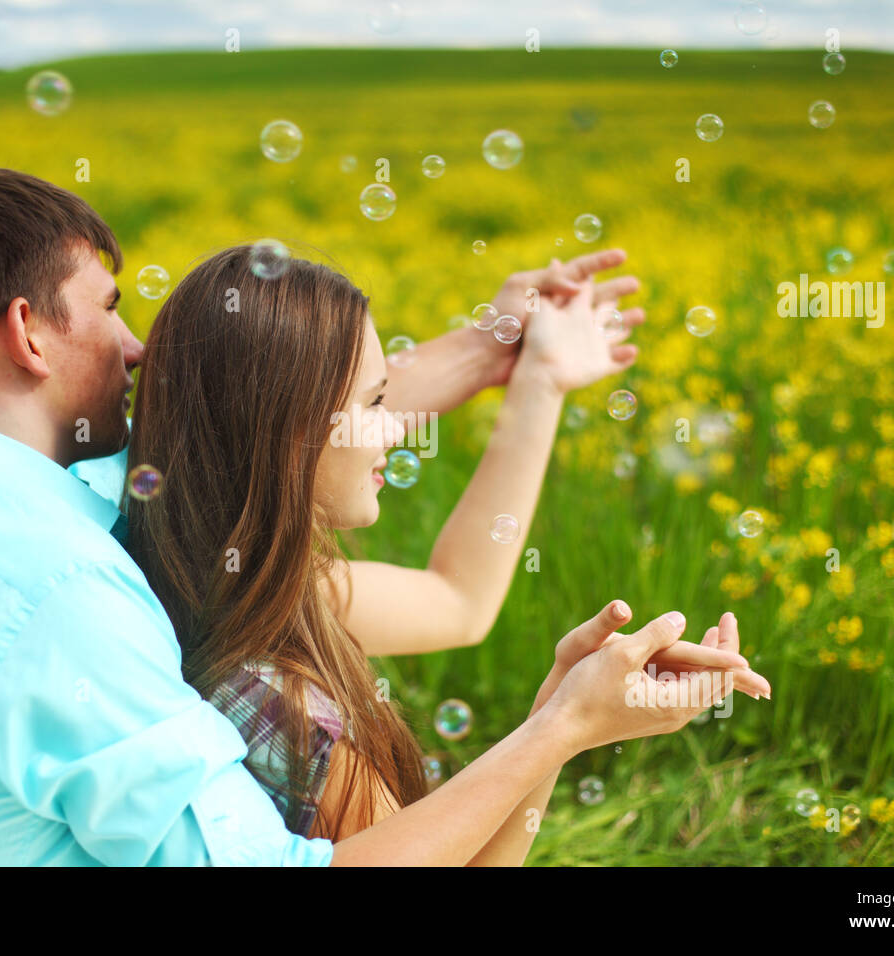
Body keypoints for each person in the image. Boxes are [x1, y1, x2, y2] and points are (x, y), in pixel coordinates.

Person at [0, 162, 759, 867]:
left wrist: (496, 347)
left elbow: (253, 424)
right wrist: (563, 727)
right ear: (28, 336)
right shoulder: (59, 600)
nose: (140, 350)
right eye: (108, 306)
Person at [120, 246, 770, 856]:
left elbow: (458, 600)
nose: (398, 429)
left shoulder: (215, 588)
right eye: (377, 403)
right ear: (287, 432)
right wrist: (568, 723)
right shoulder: (284, 711)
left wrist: (562, 705)